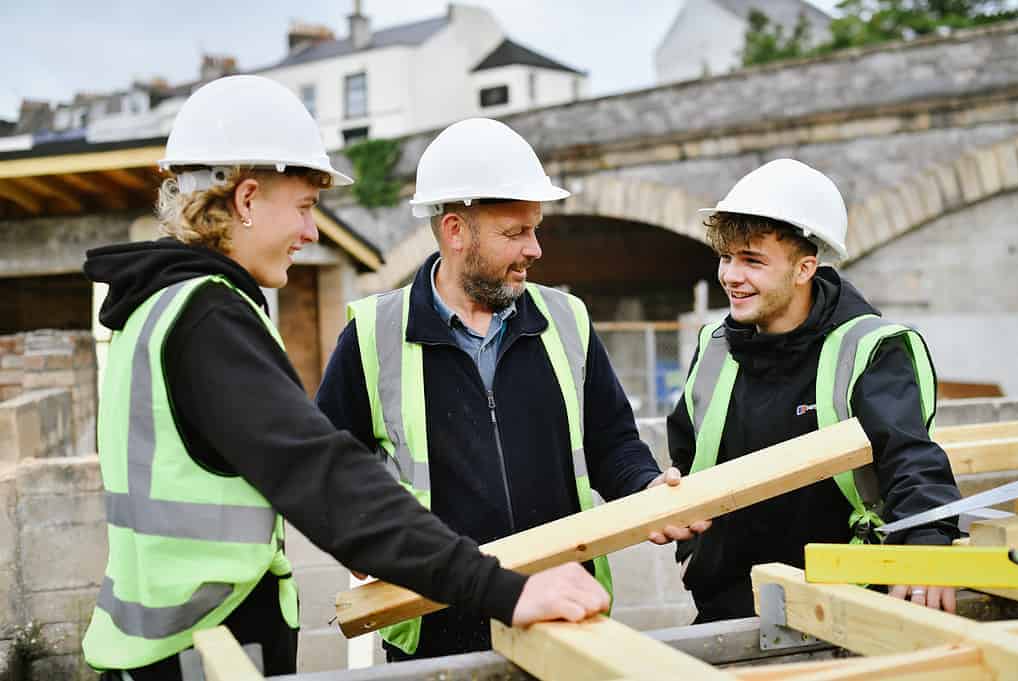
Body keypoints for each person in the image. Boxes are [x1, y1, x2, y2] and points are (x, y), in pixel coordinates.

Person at [80, 77, 612, 681]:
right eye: (305, 208)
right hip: (200, 652)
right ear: (247, 200)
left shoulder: (156, 307)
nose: (311, 232)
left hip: (168, 647)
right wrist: (504, 591)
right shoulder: (208, 319)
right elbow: (325, 476)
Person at [316, 117, 709, 661]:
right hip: (434, 627)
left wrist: (646, 489)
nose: (536, 248)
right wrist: (357, 535)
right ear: (455, 231)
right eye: (515, 233)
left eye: (535, 228)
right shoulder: (373, 335)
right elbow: (332, 468)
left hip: (563, 614)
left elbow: (612, 442)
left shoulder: (567, 320)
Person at [667, 158, 962, 624]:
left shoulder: (868, 348)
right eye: (727, 257)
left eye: (752, 261)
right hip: (729, 603)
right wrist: (692, 547)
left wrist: (927, 543)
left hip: (845, 604)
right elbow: (688, 456)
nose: (731, 276)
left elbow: (909, 457)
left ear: (805, 268)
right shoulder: (715, 347)